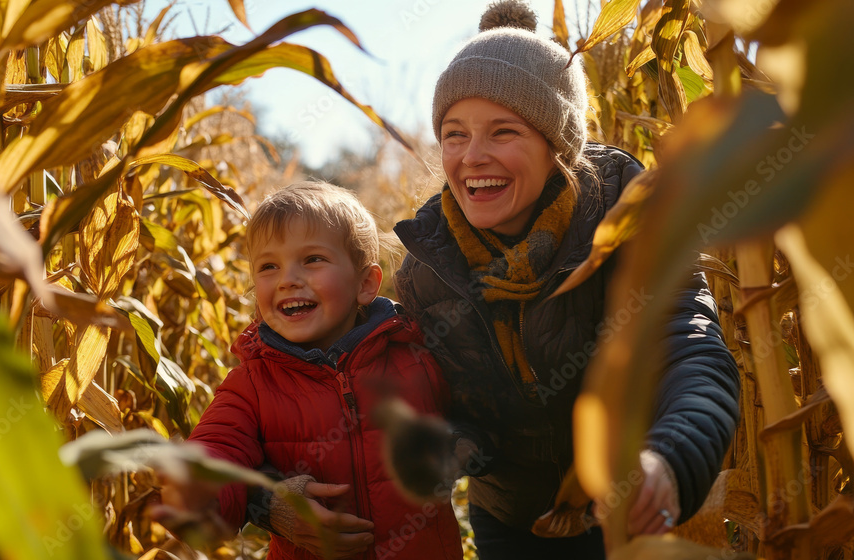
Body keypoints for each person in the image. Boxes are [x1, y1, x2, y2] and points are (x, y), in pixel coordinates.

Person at [253, 1, 741, 559]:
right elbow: (322, 396)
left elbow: (694, 354)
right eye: (454, 134)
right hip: (512, 521)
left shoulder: (632, 222)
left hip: (639, 508)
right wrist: (270, 498)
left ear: (558, 145)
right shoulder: (429, 272)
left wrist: (668, 459)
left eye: (503, 131)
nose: (472, 157)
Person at [183, 182, 464, 560]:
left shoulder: (417, 357)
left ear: (366, 284)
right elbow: (215, 454)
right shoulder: (252, 384)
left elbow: (489, 421)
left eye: (312, 259)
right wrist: (256, 500)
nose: (287, 279)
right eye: (268, 266)